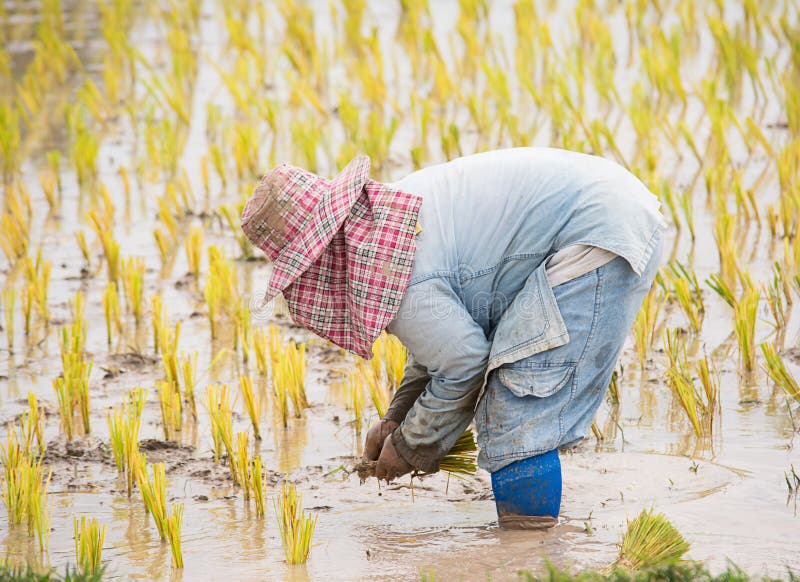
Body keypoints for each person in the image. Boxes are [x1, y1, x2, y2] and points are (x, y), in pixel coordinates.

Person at [240, 147, 664, 530]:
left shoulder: (398, 266)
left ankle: (528, 557)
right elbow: (440, 346)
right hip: (611, 206)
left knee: (519, 409)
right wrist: (397, 418)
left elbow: (464, 364)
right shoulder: (390, 220)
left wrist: (411, 447)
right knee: (515, 402)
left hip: (598, 236)